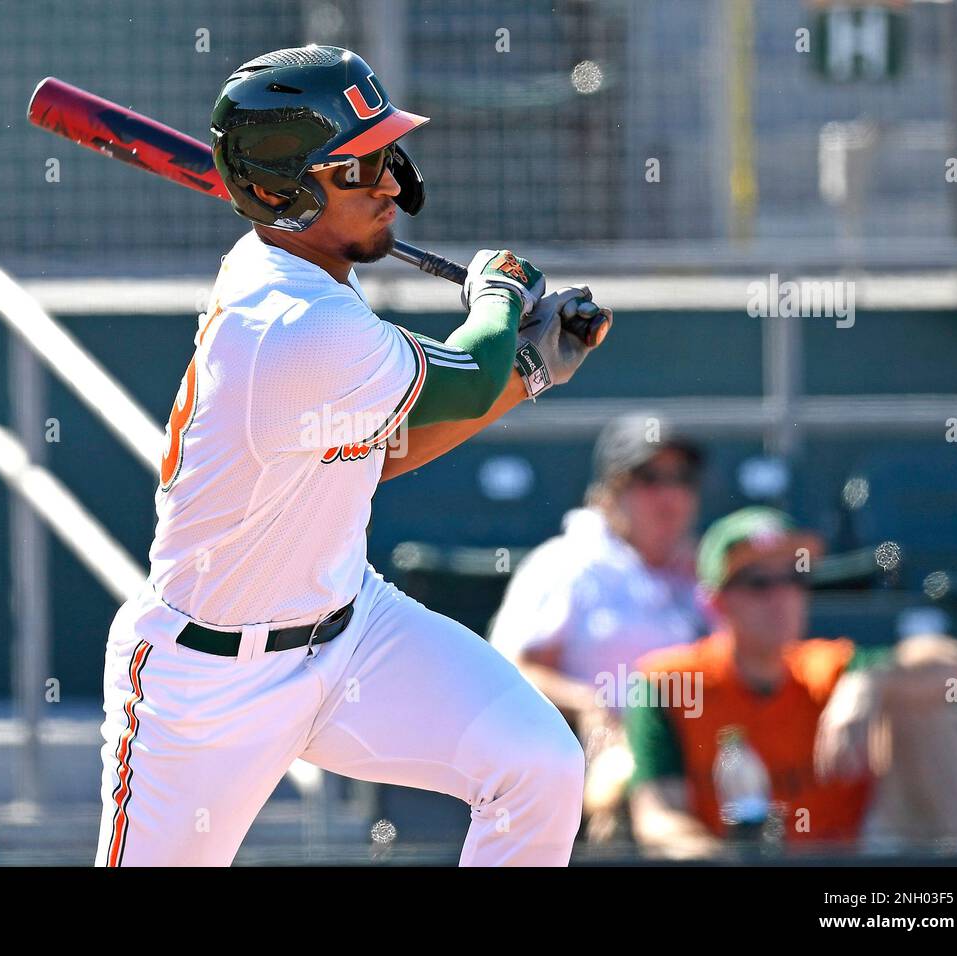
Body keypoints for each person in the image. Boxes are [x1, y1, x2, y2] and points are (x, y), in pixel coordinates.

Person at [95, 45, 613, 867]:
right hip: (205, 682)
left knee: (539, 768)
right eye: (356, 168)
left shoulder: (318, 275)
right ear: (280, 192)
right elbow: (466, 373)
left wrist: (529, 370)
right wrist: (499, 294)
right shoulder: (291, 323)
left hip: (351, 633)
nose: (386, 186)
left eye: (385, 159)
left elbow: (381, 450)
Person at [627, 507, 957, 857]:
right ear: (715, 602)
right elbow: (659, 820)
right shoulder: (669, 683)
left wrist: (870, 682)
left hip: (846, 877)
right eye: (759, 583)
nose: (782, 597)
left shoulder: (830, 670)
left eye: (795, 578)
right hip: (725, 860)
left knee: (922, 706)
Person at [488, 413, 707, 840]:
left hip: (701, 755)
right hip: (603, 765)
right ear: (608, 494)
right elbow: (509, 670)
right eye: (650, 479)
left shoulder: (710, 571)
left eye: (682, 479)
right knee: (625, 779)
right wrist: (588, 703)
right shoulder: (567, 562)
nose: (670, 496)